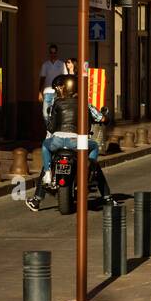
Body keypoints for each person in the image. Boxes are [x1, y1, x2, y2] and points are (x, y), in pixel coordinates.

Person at [26, 74, 106, 212]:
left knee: (47, 161)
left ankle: (37, 198)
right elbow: (99, 117)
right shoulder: (84, 103)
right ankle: (91, 174)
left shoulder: (56, 103)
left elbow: (50, 126)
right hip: (78, 141)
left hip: (56, 141)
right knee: (93, 150)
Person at [39, 44, 66, 127]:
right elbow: (42, 79)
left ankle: (53, 130)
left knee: (55, 114)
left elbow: (64, 78)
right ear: (49, 53)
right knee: (45, 114)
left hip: (57, 93)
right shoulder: (45, 65)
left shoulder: (62, 64)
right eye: (51, 52)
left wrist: (63, 92)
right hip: (47, 93)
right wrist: (39, 92)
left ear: (57, 53)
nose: (53, 54)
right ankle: (49, 130)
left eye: (54, 52)